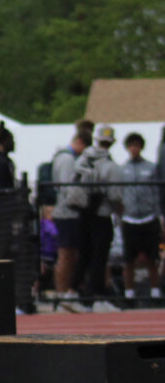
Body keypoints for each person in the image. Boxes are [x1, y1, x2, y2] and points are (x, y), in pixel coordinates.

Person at [74, 125, 124, 308]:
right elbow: (115, 195)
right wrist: (119, 211)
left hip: (82, 212)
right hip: (101, 214)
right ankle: (96, 296)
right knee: (99, 257)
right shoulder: (111, 166)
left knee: (83, 254)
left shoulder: (82, 159)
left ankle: (73, 291)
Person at [118, 132, 161, 300]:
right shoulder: (122, 169)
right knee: (128, 259)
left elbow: (157, 191)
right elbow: (120, 193)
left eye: (137, 145)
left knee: (152, 258)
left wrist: (158, 214)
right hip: (130, 218)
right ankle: (129, 293)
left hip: (148, 217)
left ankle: (155, 292)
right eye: (131, 146)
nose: (134, 149)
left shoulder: (151, 167)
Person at [49, 126, 89, 306]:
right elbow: (67, 187)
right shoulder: (67, 159)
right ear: (79, 142)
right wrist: (78, 202)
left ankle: (65, 293)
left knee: (70, 254)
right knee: (66, 254)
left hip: (67, 211)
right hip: (67, 213)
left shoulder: (64, 157)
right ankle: (62, 293)